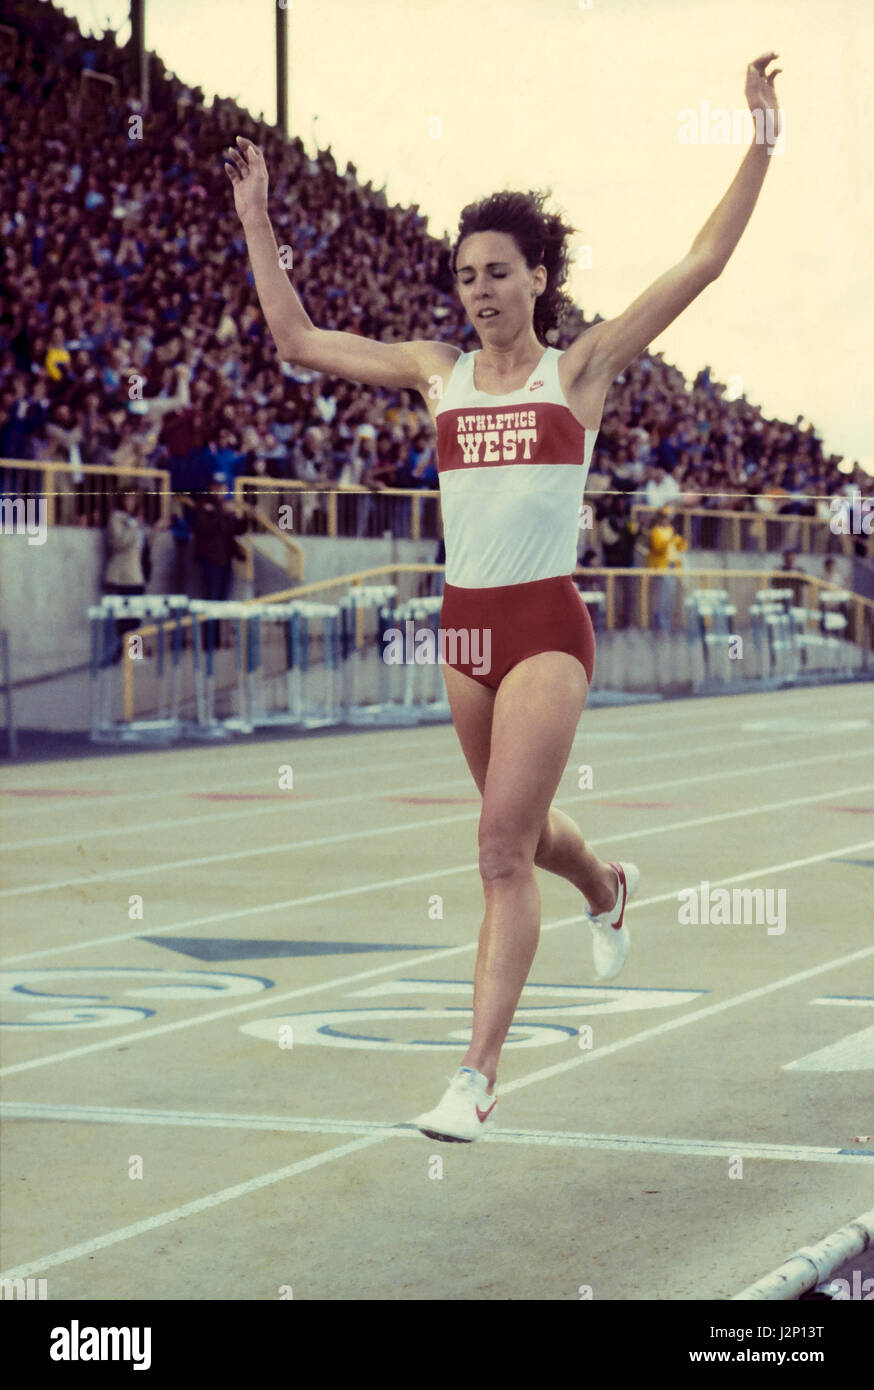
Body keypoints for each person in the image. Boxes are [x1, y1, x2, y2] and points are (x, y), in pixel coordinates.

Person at [224, 51, 781, 1142]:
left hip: (542, 627)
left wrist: (758, 139)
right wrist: (255, 214)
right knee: (519, 839)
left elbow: (702, 261)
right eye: (464, 274)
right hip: (462, 627)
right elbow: (294, 341)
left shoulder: (578, 371)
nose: (476, 291)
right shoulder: (435, 371)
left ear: (538, 276)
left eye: (496, 271)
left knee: (492, 852)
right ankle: (608, 884)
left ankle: (474, 1077)